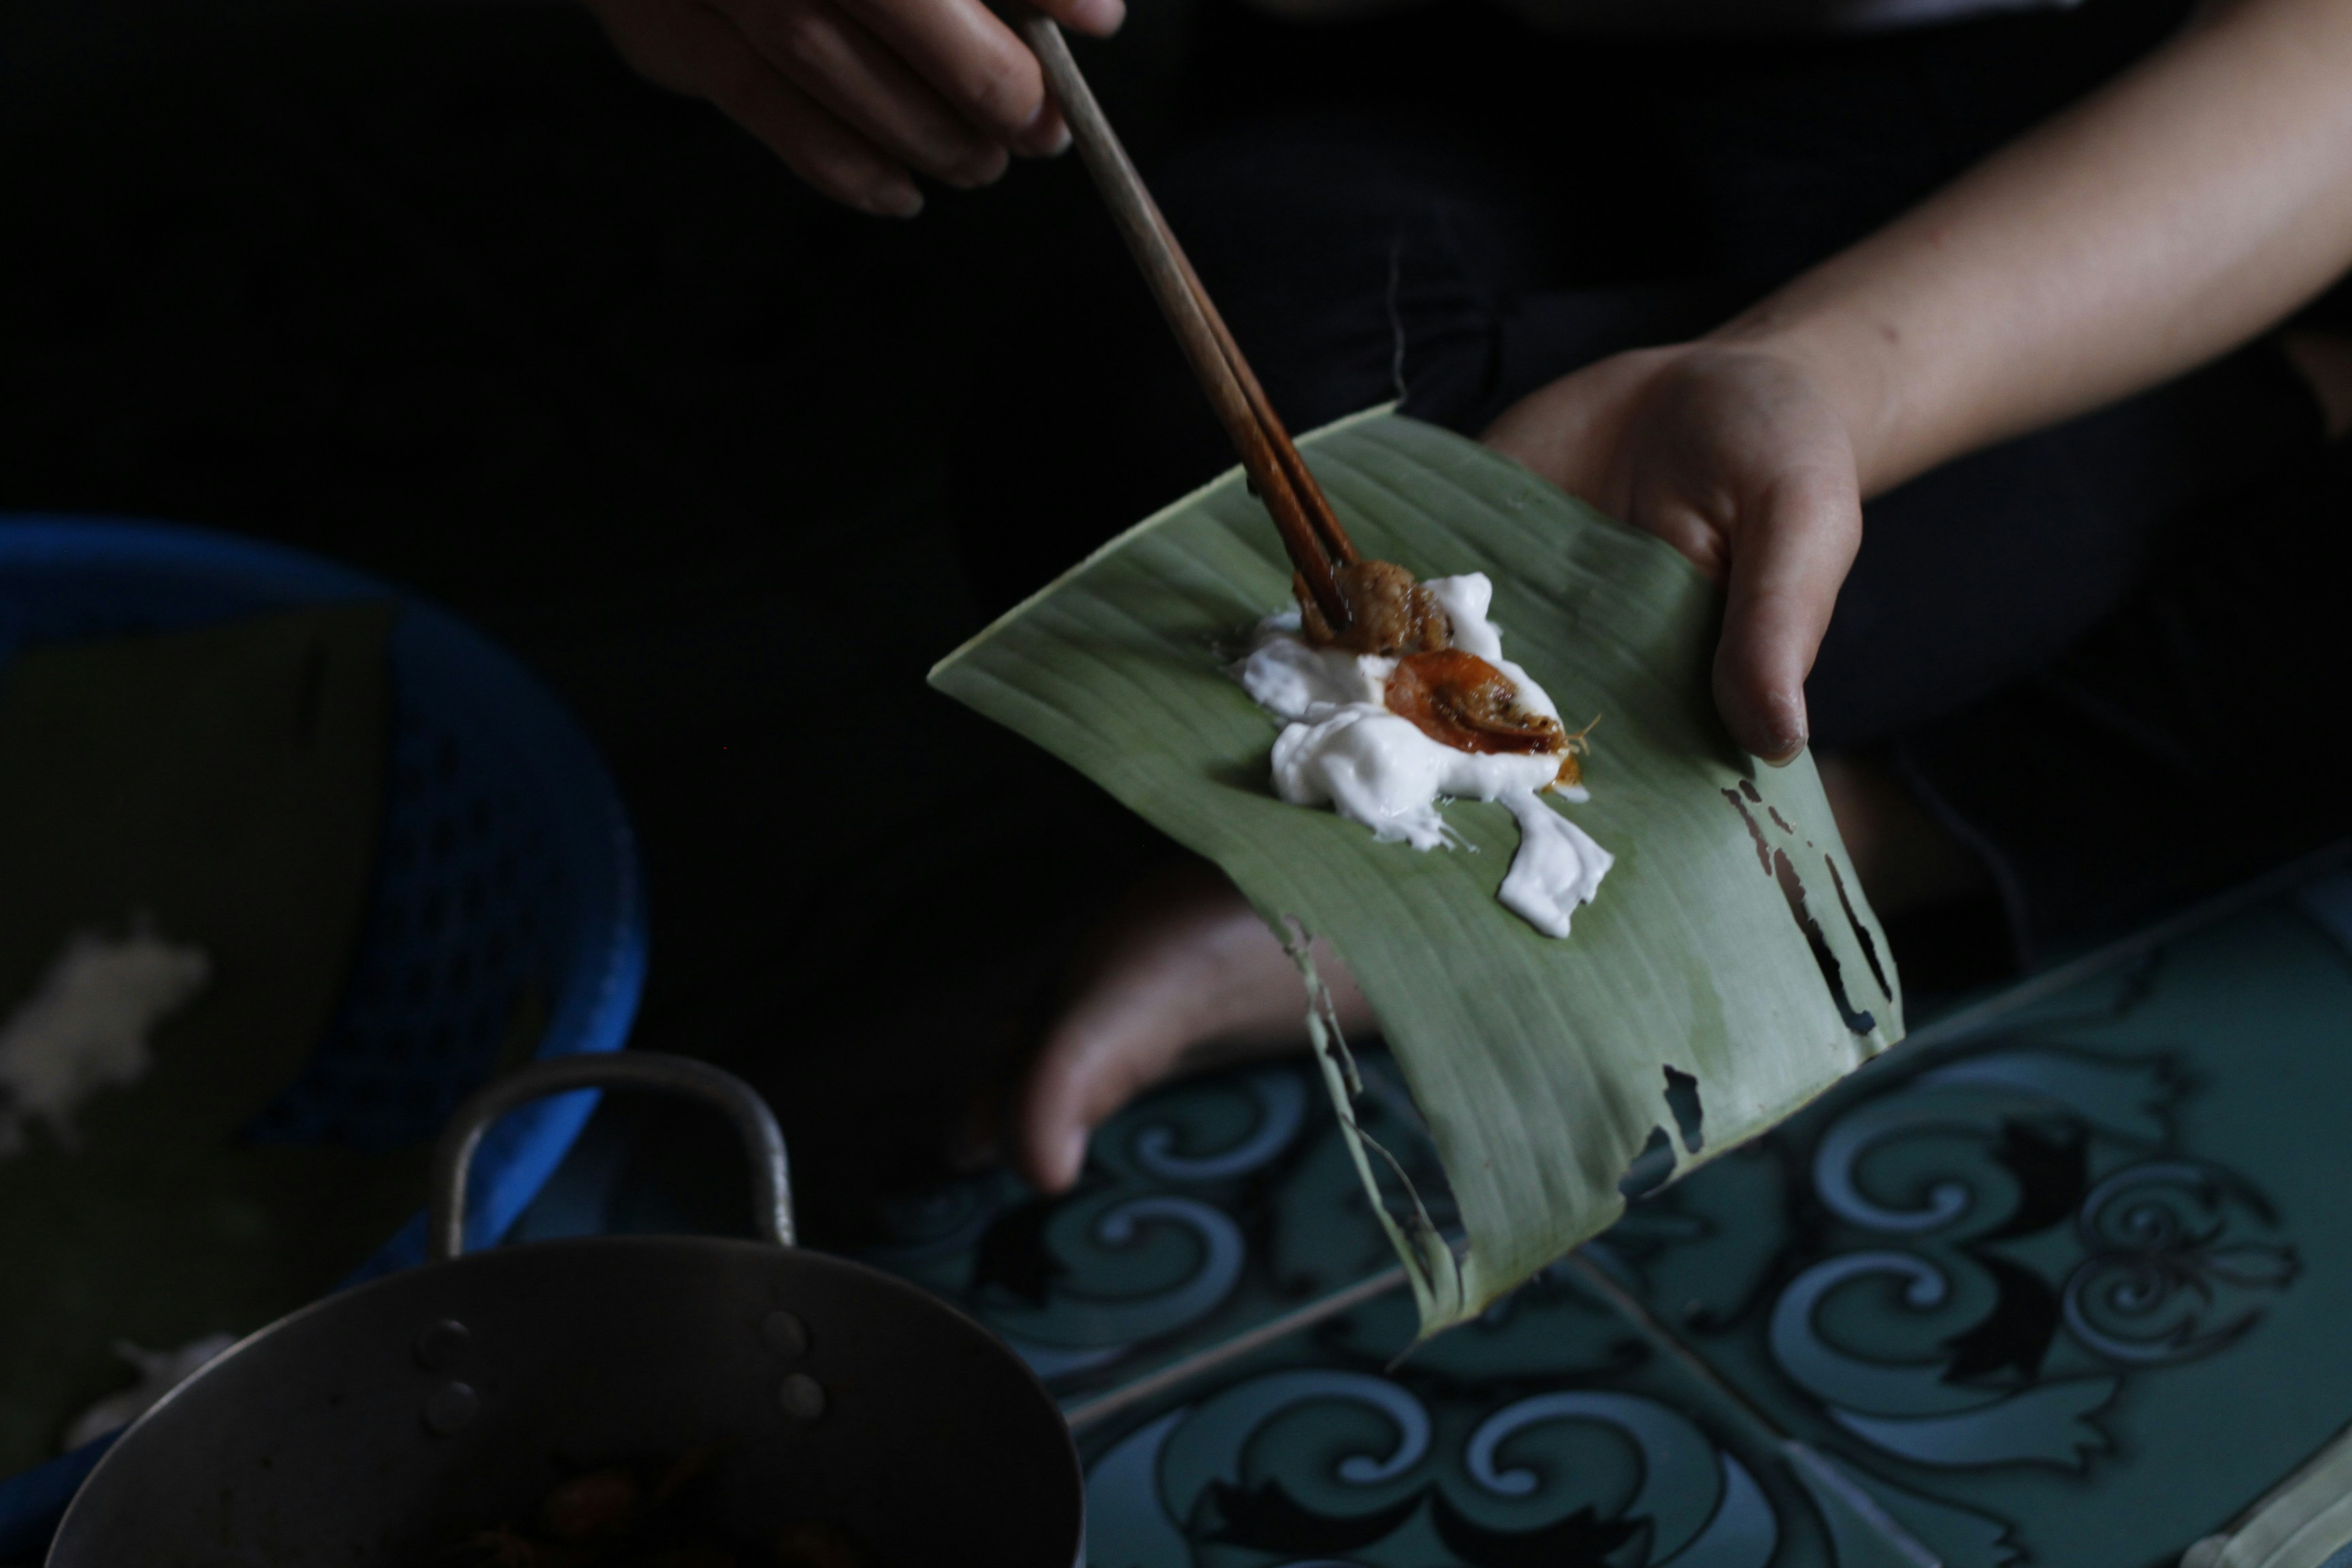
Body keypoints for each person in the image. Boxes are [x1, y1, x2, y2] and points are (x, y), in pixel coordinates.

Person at [582, 0, 2352, 1194]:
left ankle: (1805, 835)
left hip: (2163, 102)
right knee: (1185, 478)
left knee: (1679, 565)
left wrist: (1837, 377)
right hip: (1487, 71)